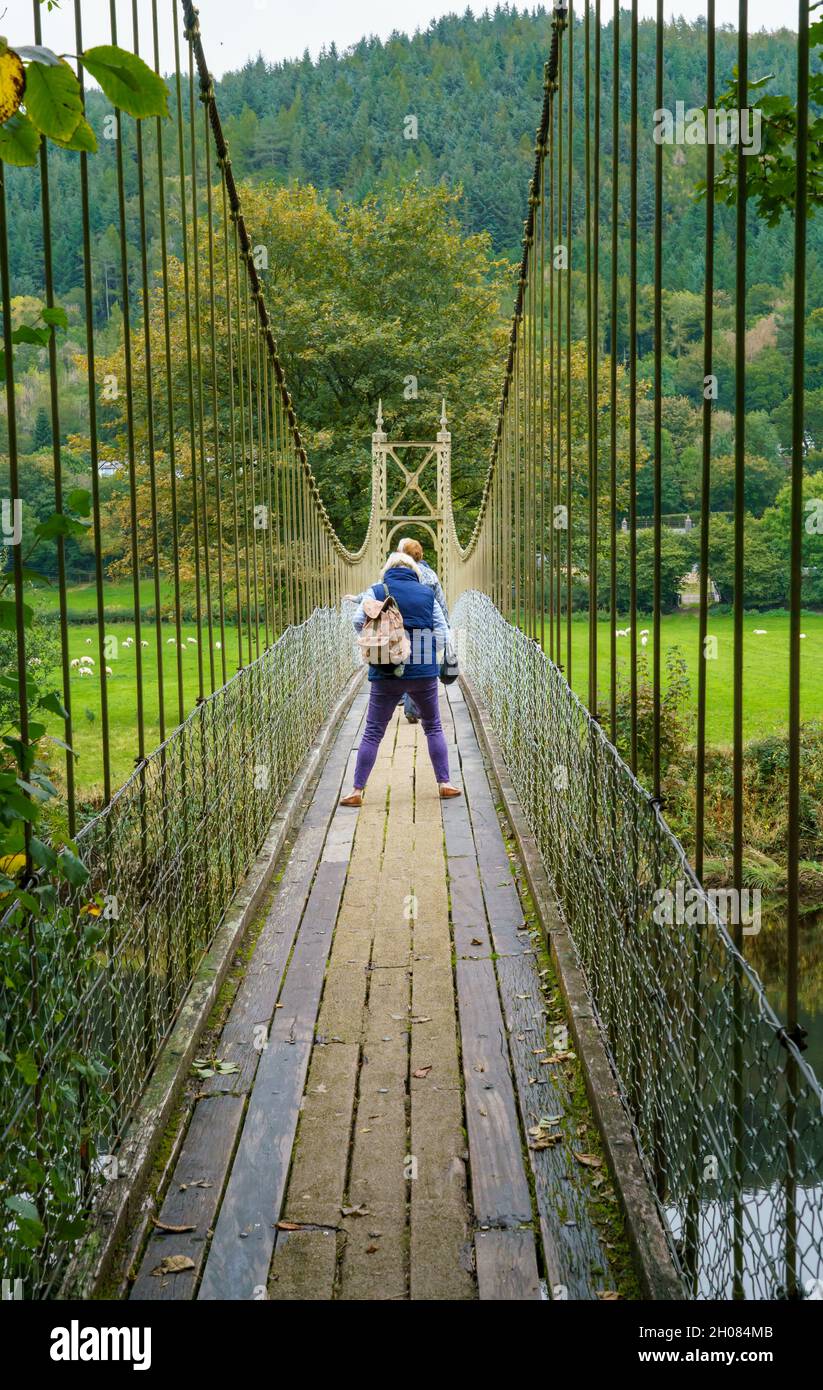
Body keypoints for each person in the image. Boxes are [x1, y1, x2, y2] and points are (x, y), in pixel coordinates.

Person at [339, 550, 461, 806]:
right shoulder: (427, 594)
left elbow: (357, 620)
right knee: (434, 726)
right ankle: (445, 783)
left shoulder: (377, 590)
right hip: (423, 671)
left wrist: (378, 640)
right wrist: (426, 652)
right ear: (414, 572)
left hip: (385, 670)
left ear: (388, 569)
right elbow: (442, 633)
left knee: (373, 731)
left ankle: (356, 791)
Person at [395, 537, 449, 725]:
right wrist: (445, 630)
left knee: (404, 664)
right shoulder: (431, 575)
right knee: (419, 667)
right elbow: (441, 604)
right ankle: (413, 707)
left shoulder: (398, 575)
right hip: (426, 629)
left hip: (402, 627)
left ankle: (406, 701)